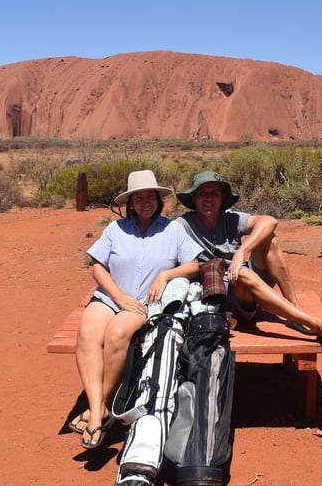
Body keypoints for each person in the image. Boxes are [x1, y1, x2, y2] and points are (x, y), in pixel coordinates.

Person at [70, 170, 204, 450]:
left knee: (118, 334)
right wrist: (118, 297)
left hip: (144, 303)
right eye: (138, 197)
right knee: (88, 332)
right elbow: (96, 265)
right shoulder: (116, 229)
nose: (145, 202)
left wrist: (165, 275)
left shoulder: (173, 229)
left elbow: (194, 265)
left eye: (150, 197)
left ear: (158, 199)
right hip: (112, 297)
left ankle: (98, 409)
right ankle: (99, 410)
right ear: (130, 202)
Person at [175, 170, 322, 346]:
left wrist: (241, 252)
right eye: (202, 194)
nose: (209, 198)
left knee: (270, 240)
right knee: (244, 274)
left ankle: (295, 310)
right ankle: (313, 323)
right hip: (222, 296)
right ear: (193, 198)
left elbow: (270, 221)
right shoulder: (183, 225)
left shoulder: (230, 219)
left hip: (246, 286)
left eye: (214, 193)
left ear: (222, 198)